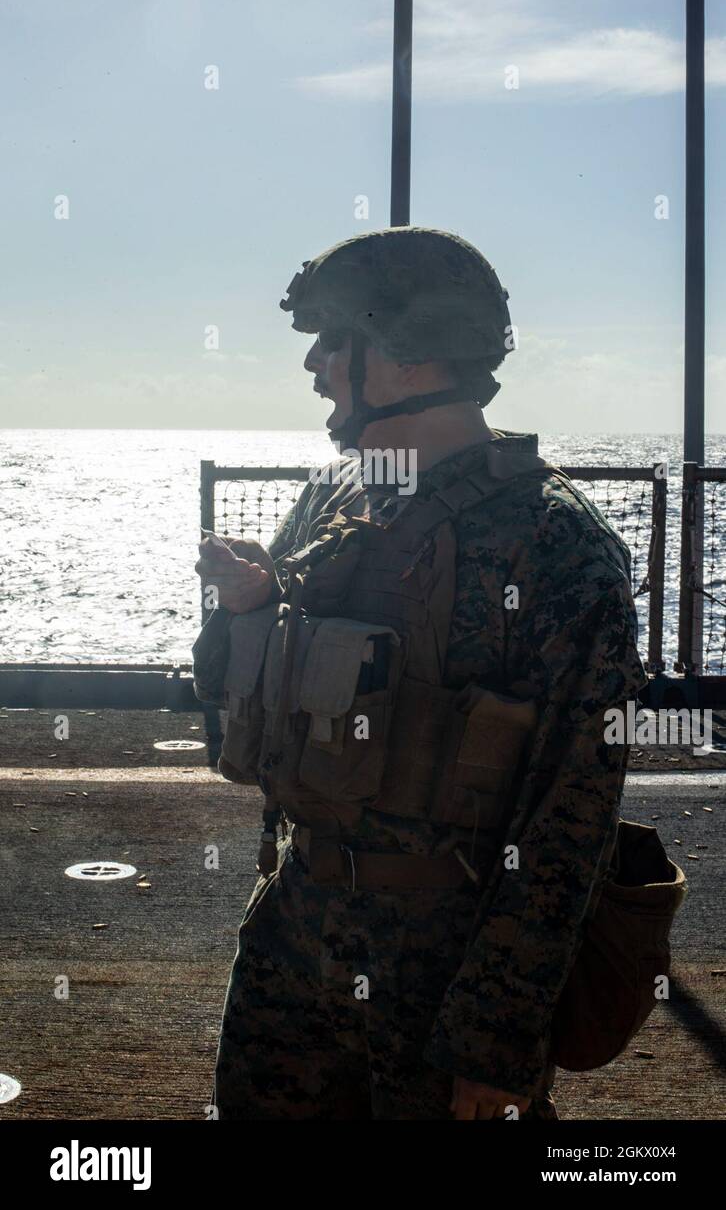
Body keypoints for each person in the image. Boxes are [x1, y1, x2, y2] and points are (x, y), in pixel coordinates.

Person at [196, 226, 647, 1121]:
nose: (316, 365)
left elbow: (570, 817)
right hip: (294, 939)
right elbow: (251, 715)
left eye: (334, 340)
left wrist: (495, 1039)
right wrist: (249, 614)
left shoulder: (554, 543)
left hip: (441, 977)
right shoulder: (335, 499)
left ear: (404, 352)